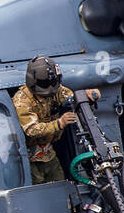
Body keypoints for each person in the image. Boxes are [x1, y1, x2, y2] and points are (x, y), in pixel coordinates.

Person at [12, 56, 99, 184]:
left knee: (60, 185)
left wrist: (85, 95)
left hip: (48, 153)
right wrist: (59, 123)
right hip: (29, 159)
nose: (50, 90)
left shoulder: (55, 90)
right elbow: (31, 130)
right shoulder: (22, 101)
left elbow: (69, 98)